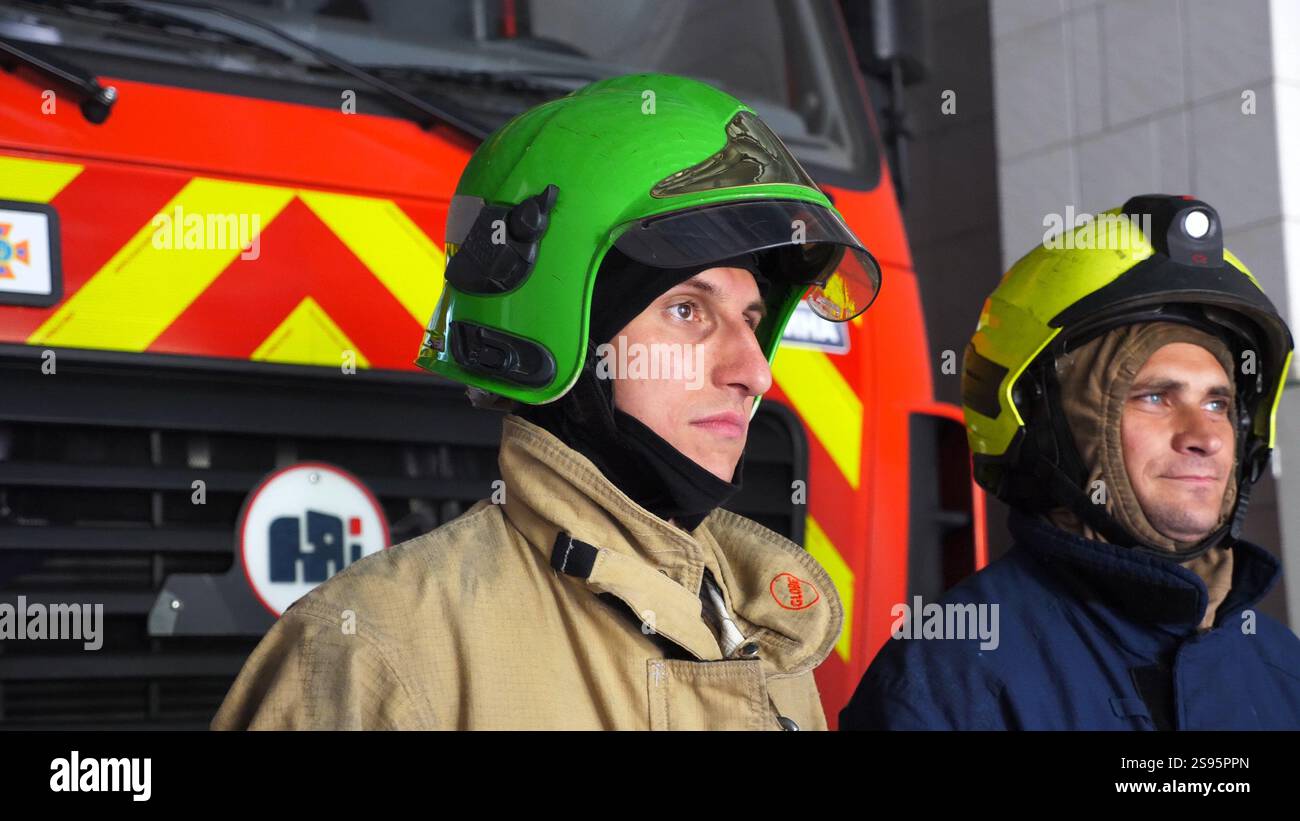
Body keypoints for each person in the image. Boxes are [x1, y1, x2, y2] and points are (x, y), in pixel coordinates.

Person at [211, 73, 882, 730]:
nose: (755, 373)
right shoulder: (374, 652)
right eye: (687, 310)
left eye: (751, 318)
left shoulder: (769, 632)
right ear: (557, 328)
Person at [840, 194, 1300, 730]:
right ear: (1052, 426)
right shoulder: (951, 677)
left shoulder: (1281, 666)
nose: (1206, 438)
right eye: (1155, 397)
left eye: (1218, 404)